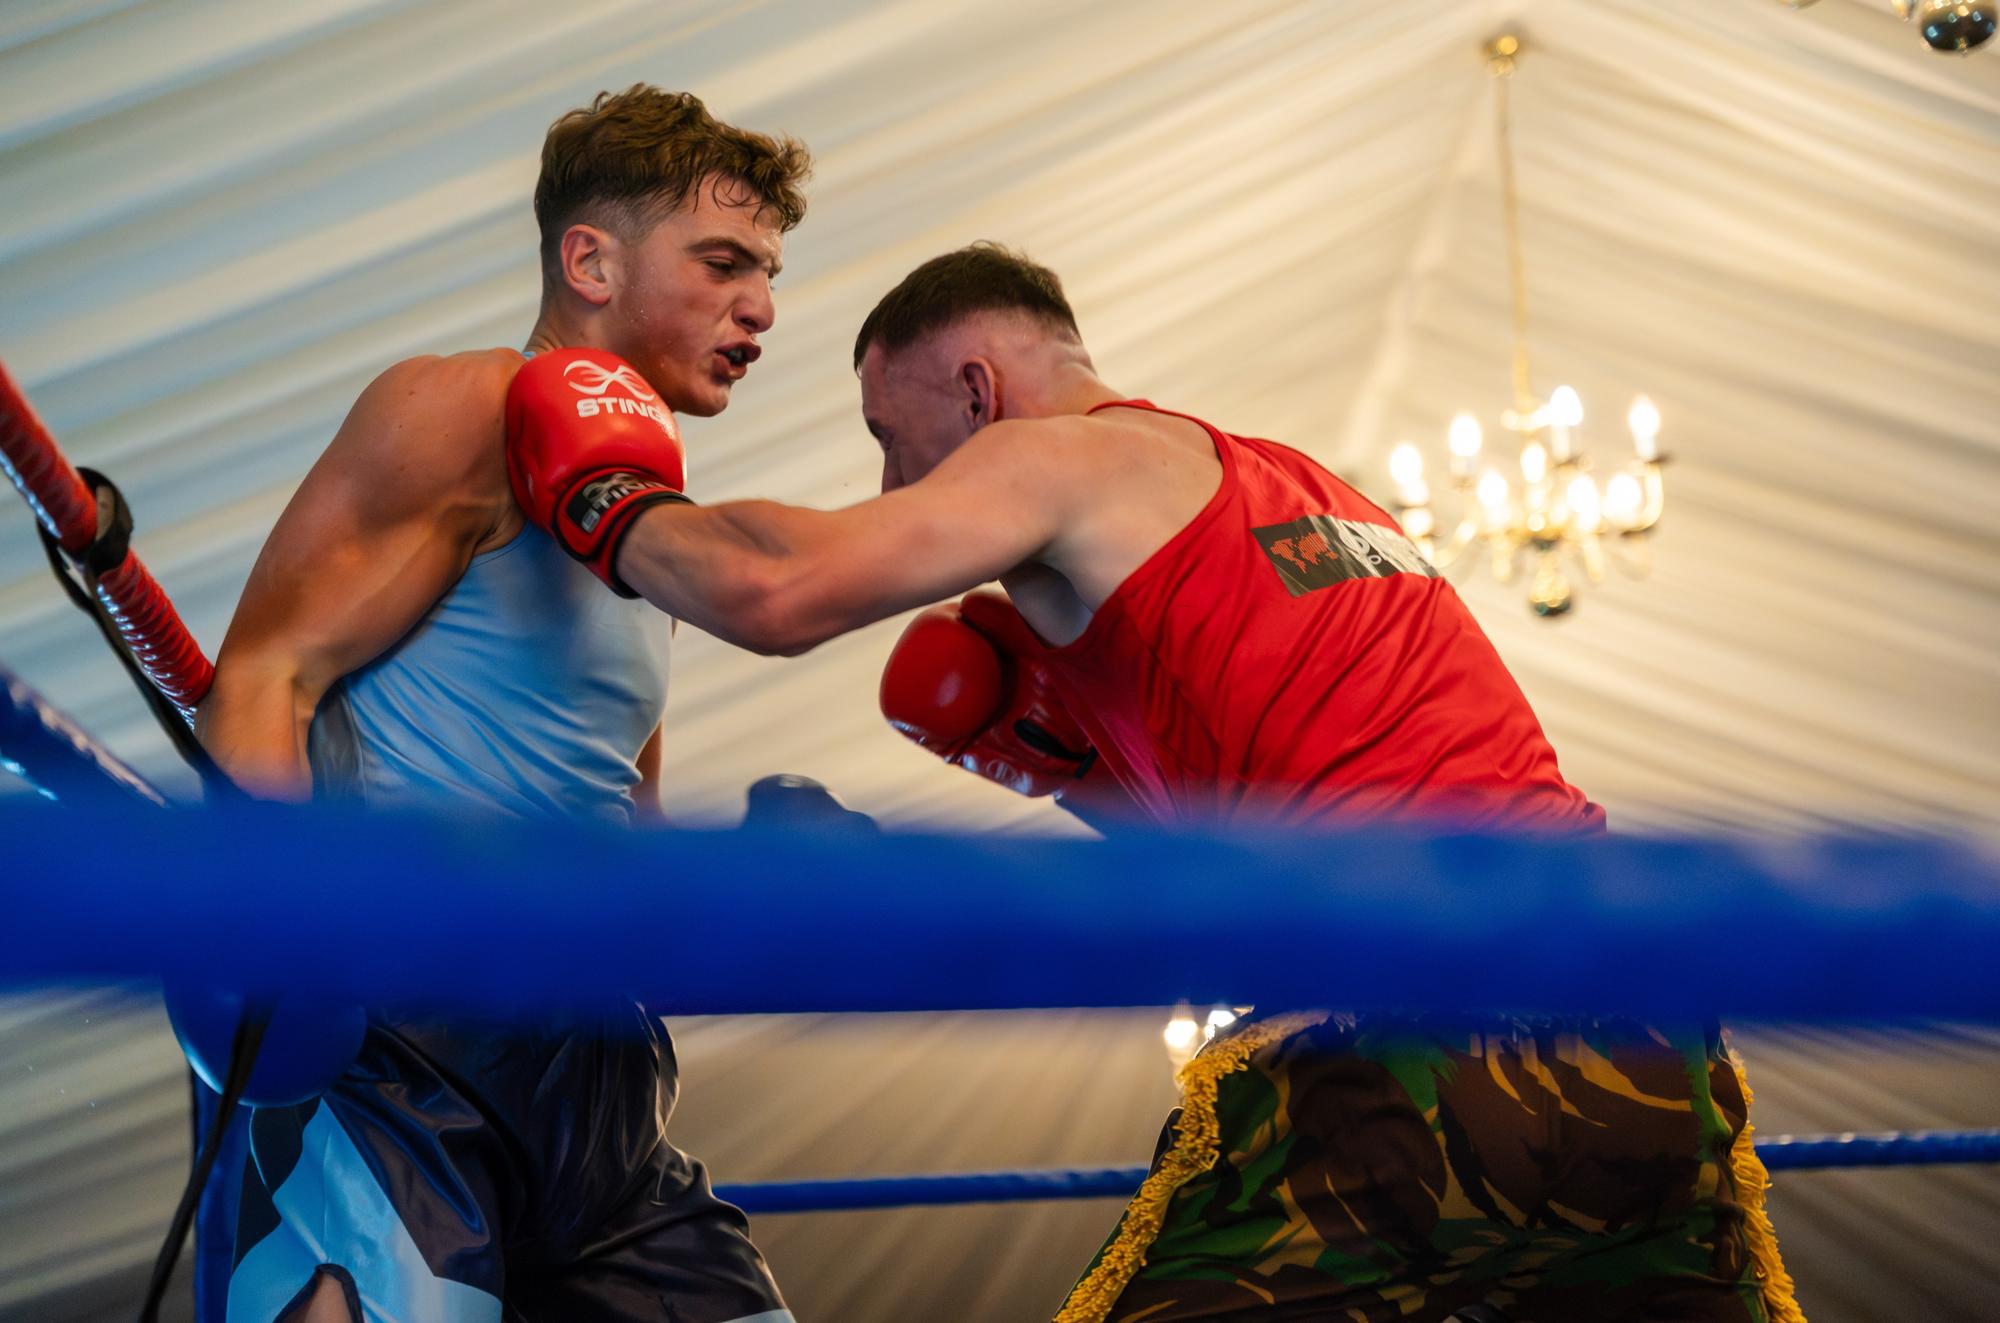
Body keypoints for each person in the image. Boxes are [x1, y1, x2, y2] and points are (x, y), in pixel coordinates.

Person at [504, 242, 1802, 1322]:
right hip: (1638, 1040)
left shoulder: (1060, 456)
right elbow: (1310, 797)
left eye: (893, 442)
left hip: (1414, 1048)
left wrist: (609, 501)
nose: (894, 487)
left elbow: (783, 589)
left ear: (977, 387)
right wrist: (1077, 763)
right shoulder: (1299, 486)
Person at [192, 86, 808, 1323]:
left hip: (599, 1076)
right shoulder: (459, 404)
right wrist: (283, 944)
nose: (761, 307)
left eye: (770, 273)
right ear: (590, 257)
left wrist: (755, 889)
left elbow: (616, 822)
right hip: (405, 1036)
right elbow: (265, 677)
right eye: (723, 262)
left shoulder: (642, 520)